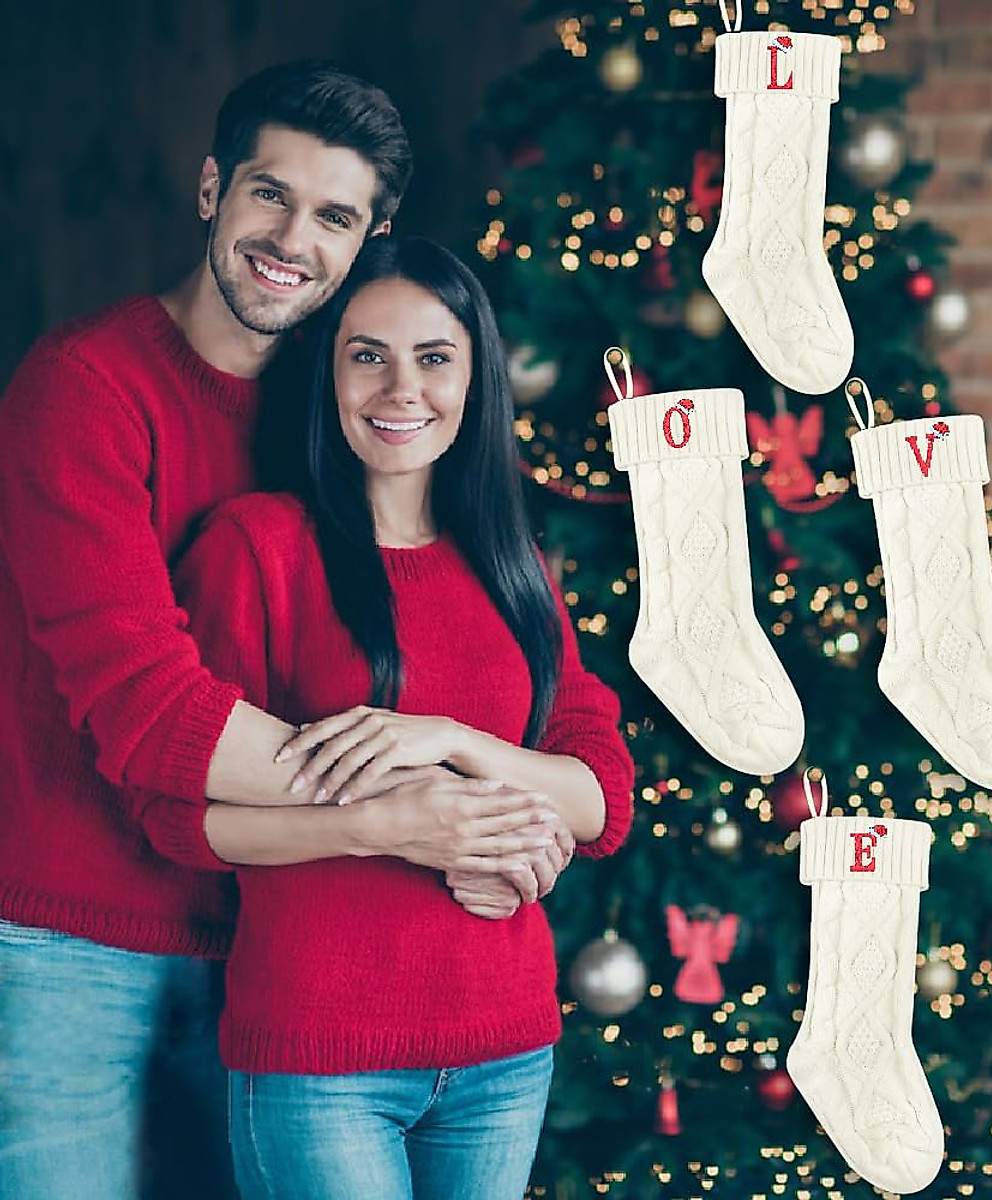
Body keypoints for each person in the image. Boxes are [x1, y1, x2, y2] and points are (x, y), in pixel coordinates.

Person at [0, 62, 563, 1200]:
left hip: (276, 947)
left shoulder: (354, 408)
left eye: (335, 215)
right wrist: (432, 812)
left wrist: (479, 785)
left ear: (373, 238)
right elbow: (154, 711)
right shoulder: (85, 387)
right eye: (270, 194)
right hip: (79, 939)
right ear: (212, 188)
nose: (291, 238)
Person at [136, 233, 635, 1200]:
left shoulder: (515, 569)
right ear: (327, 373)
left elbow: (600, 796)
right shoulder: (258, 549)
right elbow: (176, 817)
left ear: (475, 379)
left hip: (507, 1050)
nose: (400, 389)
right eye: (367, 354)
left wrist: (448, 741)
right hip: (322, 1060)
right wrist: (378, 825)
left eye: (434, 358)